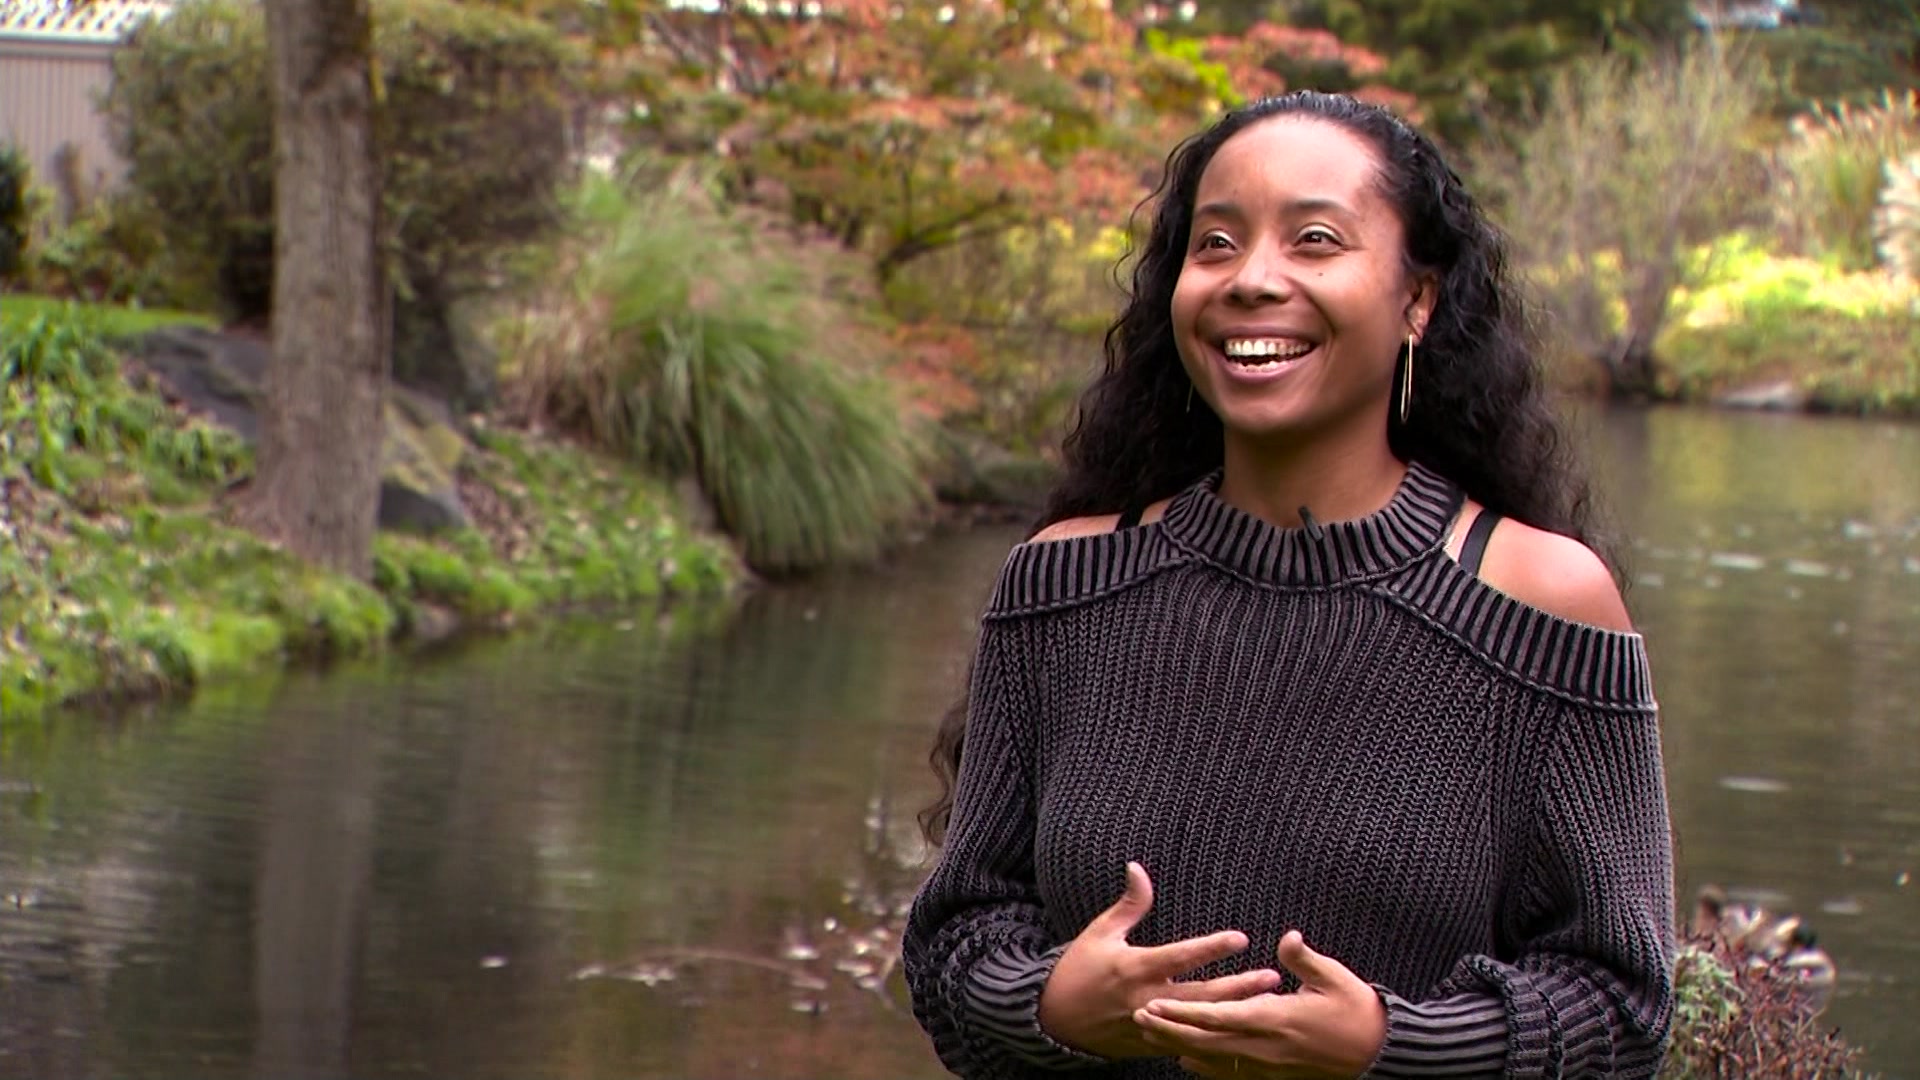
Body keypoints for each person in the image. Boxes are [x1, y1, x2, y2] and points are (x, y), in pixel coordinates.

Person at [899, 90, 1676, 1080]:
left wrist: (1391, 1047)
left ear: (1417, 299)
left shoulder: (1539, 603)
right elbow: (953, 945)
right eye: (1215, 245)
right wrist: (1051, 1002)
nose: (1253, 280)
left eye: (1315, 240)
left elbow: (1622, 1005)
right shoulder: (1062, 584)